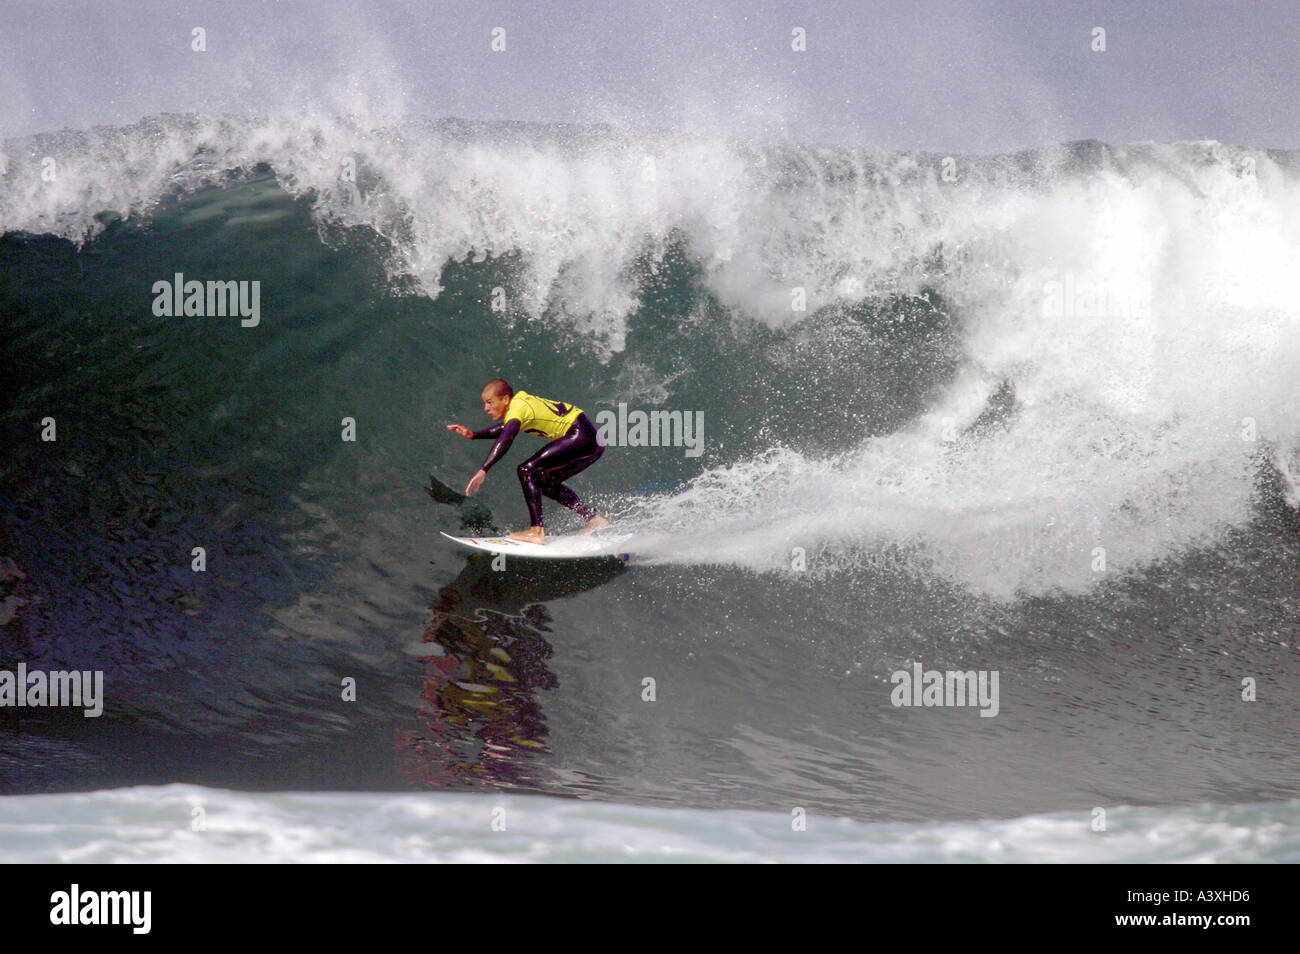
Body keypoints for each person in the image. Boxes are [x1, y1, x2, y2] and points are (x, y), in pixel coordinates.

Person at [447, 379, 610, 544]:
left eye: (490, 402)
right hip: (592, 441)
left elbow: (506, 437)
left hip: (580, 434)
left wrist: (484, 469)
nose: (486, 408)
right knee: (545, 481)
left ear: (505, 399)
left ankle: (536, 531)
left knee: (527, 470)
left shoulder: (517, 409)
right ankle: (593, 519)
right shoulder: (519, 403)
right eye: (485, 403)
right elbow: (506, 429)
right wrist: (474, 435)